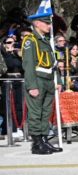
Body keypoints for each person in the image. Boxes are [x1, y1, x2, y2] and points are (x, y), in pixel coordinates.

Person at [22, 11, 63, 155]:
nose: (49, 26)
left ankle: (44, 139)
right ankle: (37, 143)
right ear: (37, 23)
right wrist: (32, 86)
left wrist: (58, 80)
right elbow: (28, 65)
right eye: (47, 23)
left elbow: (54, 63)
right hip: (37, 80)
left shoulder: (46, 40)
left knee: (46, 112)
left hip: (48, 80)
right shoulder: (30, 40)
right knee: (36, 112)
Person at [1, 35, 25, 139]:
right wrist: (9, 53)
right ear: (4, 45)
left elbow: (22, 67)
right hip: (8, 82)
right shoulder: (4, 56)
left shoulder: (17, 55)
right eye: (9, 43)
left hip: (19, 81)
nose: (12, 45)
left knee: (20, 105)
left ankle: (20, 127)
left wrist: (18, 54)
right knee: (10, 106)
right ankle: (12, 129)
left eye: (13, 43)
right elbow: (9, 66)